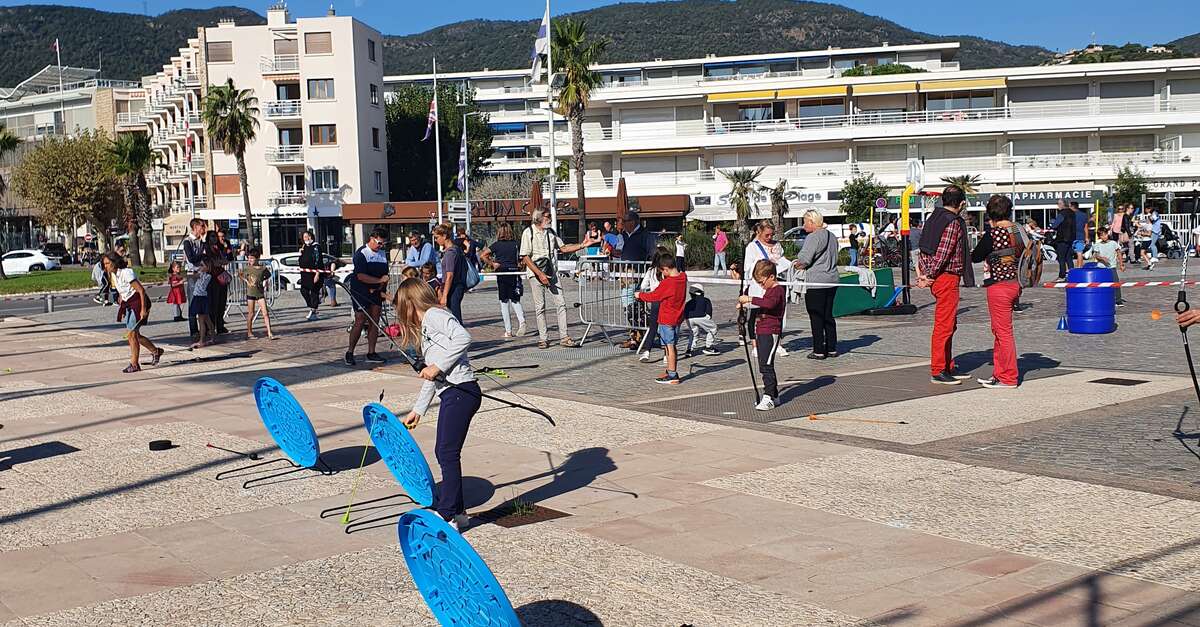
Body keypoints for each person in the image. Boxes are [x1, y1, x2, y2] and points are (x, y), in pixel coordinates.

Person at [394, 278, 480, 533]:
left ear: (411, 302)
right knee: (446, 451)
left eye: (402, 307)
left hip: (461, 391)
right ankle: (459, 512)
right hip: (454, 392)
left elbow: (464, 337)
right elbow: (434, 378)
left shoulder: (434, 315)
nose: (402, 313)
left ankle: (446, 513)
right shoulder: (429, 325)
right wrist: (418, 410)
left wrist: (437, 366)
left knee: (446, 452)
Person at [916, 185, 976, 385]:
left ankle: (947, 365)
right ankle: (939, 369)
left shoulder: (933, 218)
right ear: (961, 203)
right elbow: (943, 253)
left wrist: (924, 272)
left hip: (937, 276)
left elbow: (923, 249)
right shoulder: (953, 222)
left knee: (949, 323)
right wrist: (930, 274)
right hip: (946, 276)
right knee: (944, 324)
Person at [520, 208, 596, 349]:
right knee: (540, 307)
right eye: (547, 217)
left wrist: (582, 245)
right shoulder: (528, 232)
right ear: (539, 218)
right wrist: (540, 274)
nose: (550, 219)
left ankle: (564, 336)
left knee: (561, 303)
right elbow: (525, 256)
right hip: (535, 274)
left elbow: (564, 248)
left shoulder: (551, 232)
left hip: (552, 272)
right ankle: (543, 338)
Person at [970, 195, 1023, 389]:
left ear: (991, 213)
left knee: (1003, 332)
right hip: (1015, 283)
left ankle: (1008, 377)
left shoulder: (994, 233)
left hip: (998, 285)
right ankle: (999, 374)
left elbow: (976, 256)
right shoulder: (1019, 230)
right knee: (1000, 331)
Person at [737, 259, 786, 411]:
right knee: (764, 364)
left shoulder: (777, 290)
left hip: (771, 331)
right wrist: (745, 304)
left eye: (762, 282)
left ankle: (768, 396)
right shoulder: (768, 290)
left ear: (771, 277)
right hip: (762, 330)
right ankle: (775, 395)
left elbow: (769, 304)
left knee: (766, 365)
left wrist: (750, 299)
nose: (761, 285)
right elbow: (763, 303)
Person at [104, 251, 163, 373]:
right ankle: (156, 351)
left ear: (114, 263)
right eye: (104, 264)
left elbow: (141, 290)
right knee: (134, 334)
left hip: (138, 303)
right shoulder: (114, 275)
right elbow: (122, 289)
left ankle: (134, 363)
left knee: (132, 334)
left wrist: (143, 309)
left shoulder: (126, 273)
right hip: (129, 304)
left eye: (107, 263)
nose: (106, 266)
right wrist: (121, 297)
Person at [740, 220, 792, 354]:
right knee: (756, 314)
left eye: (772, 235)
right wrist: (764, 264)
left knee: (779, 312)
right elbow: (747, 267)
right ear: (759, 232)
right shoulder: (752, 247)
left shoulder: (777, 245)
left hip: (777, 282)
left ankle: (778, 342)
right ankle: (755, 345)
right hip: (759, 285)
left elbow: (781, 260)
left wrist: (785, 264)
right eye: (767, 235)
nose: (770, 238)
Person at [635, 253, 687, 384]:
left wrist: (640, 295)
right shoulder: (683, 277)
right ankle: (670, 370)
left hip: (667, 318)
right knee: (671, 346)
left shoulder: (668, 283)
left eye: (662, 271)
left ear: (666, 269)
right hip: (677, 317)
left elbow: (654, 296)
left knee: (669, 347)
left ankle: (673, 375)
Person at [795, 210, 840, 359]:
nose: (803, 225)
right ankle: (832, 347)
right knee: (828, 315)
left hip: (817, 281)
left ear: (812, 222)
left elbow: (805, 259)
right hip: (832, 280)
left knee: (816, 316)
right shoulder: (832, 236)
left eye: (805, 221)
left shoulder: (813, 237)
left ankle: (818, 350)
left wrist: (796, 264)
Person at [345, 227, 390, 366]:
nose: (381, 246)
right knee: (360, 320)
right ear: (372, 238)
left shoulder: (382, 254)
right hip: (361, 291)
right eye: (379, 243)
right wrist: (378, 281)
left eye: (383, 244)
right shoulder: (361, 253)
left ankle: (371, 352)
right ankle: (350, 352)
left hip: (376, 292)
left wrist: (382, 285)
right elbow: (360, 275)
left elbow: (384, 274)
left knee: (375, 320)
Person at [480, 222, 527, 338]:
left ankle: (508, 330)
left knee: (504, 301)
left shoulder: (497, 245)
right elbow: (524, 256)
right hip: (514, 271)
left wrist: (492, 263)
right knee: (515, 299)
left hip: (502, 272)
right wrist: (521, 264)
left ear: (499, 232)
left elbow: (483, 255)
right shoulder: (516, 244)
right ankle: (522, 321)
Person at [240, 247, 275, 340]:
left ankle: (269, 332)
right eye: (249, 258)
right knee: (251, 313)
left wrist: (264, 281)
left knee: (265, 313)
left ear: (257, 258)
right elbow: (241, 274)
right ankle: (249, 332)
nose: (250, 260)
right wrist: (247, 281)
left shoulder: (262, 268)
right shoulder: (247, 268)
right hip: (250, 293)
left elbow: (268, 275)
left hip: (260, 293)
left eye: (252, 258)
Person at [433, 224, 467, 322]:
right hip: (457, 286)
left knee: (455, 318)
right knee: (453, 316)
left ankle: (460, 336)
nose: (436, 240)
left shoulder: (450, 253)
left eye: (437, 237)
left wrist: (444, 296)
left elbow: (449, 275)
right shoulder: (456, 249)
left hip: (453, 287)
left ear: (444, 236)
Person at [183, 218, 208, 338]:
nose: (203, 229)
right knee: (192, 303)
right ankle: (194, 330)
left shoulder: (201, 241)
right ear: (195, 227)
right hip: (193, 274)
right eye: (201, 226)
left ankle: (205, 328)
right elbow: (192, 258)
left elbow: (206, 255)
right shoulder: (188, 241)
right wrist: (202, 255)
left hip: (202, 274)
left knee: (204, 302)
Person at [1090, 228, 1126, 307]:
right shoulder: (1098, 245)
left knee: (1116, 283)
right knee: (1101, 284)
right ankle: (1101, 299)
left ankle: (1118, 300)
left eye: (1105, 234)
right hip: (1101, 268)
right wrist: (1102, 258)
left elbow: (1119, 253)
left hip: (1111, 267)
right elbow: (1096, 255)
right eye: (1102, 235)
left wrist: (1121, 264)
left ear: (1108, 234)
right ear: (1099, 237)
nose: (1104, 237)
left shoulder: (1113, 243)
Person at [204, 231, 230, 336]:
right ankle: (211, 327)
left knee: (221, 303)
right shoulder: (206, 248)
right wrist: (219, 261)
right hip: (212, 277)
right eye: (212, 236)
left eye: (215, 236)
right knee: (213, 304)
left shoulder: (218, 248)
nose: (215, 238)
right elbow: (213, 262)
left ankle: (220, 326)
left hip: (220, 277)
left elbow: (226, 260)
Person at [683, 284, 719, 357]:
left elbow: (685, 311)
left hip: (689, 318)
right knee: (713, 328)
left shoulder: (689, 302)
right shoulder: (706, 300)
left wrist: (686, 318)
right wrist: (708, 317)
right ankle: (709, 347)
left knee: (693, 333)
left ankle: (689, 350)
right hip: (701, 316)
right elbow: (709, 310)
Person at [298, 230, 323, 321]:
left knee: (314, 292)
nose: (306, 239)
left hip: (314, 273)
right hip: (305, 274)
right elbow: (301, 261)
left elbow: (318, 261)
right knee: (303, 290)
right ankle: (312, 306)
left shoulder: (316, 247)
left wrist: (317, 274)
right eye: (304, 237)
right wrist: (300, 254)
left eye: (308, 236)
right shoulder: (304, 247)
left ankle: (313, 310)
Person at [191, 257, 214, 348]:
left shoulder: (204, 274)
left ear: (207, 267)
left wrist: (194, 271)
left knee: (201, 320)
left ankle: (201, 340)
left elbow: (193, 276)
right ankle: (212, 337)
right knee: (207, 319)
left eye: (202, 265)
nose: (200, 267)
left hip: (200, 298)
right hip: (202, 298)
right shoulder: (207, 275)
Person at [1050, 200, 1075, 280]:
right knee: (1069, 258)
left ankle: (1062, 275)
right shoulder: (1072, 213)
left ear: (1062, 204)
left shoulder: (1062, 214)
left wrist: (1052, 226)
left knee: (1061, 258)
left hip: (1062, 238)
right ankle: (1072, 275)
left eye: (1058, 204)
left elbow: (1055, 225)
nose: (1058, 205)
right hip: (1071, 238)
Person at [1071, 201, 1091, 268]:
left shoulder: (1070, 215)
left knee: (1068, 254)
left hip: (1071, 236)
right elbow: (1086, 227)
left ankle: (1069, 270)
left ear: (1072, 207)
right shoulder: (1084, 215)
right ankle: (1079, 268)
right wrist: (1087, 237)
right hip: (1081, 236)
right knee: (1080, 253)